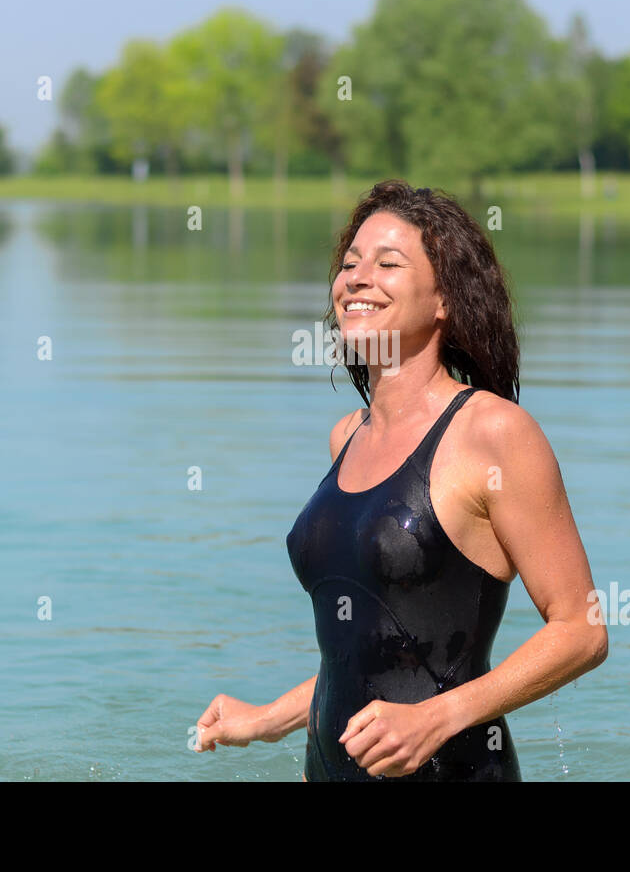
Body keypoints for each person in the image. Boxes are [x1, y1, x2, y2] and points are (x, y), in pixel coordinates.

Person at [194, 180, 607, 780]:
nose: (357, 278)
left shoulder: (493, 433)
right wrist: (267, 719)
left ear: (445, 300)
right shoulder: (346, 437)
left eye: (388, 263)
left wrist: (436, 719)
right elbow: (372, 652)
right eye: (349, 263)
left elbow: (581, 630)